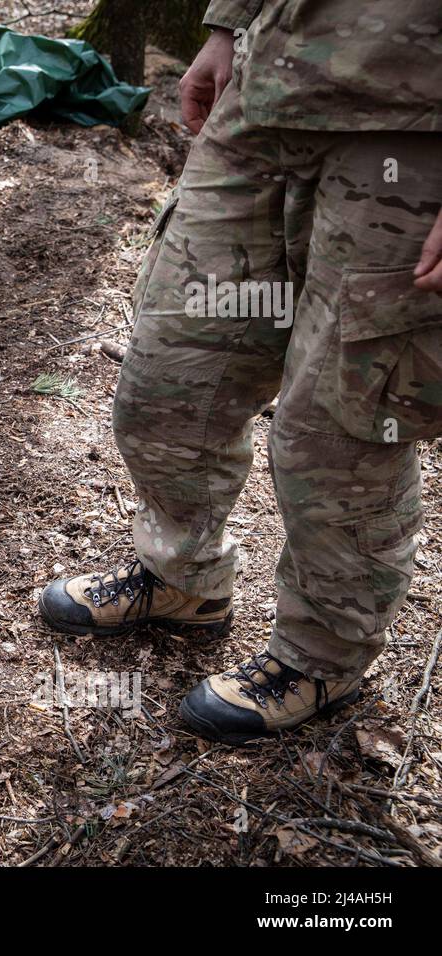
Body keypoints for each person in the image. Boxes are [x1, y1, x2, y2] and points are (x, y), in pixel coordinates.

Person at [39, 0, 442, 743]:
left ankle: (324, 655)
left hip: (413, 135)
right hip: (268, 90)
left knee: (341, 427)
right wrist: (231, 22)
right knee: (173, 376)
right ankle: (181, 577)